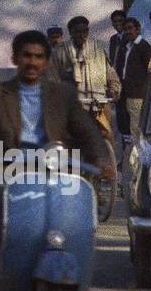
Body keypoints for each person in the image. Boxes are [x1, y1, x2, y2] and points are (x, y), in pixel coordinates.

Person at [0, 30, 110, 227]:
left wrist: (100, 158)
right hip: (10, 171)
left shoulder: (63, 95)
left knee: (80, 214)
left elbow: (87, 131)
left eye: (39, 57)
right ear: (15, 58)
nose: (32, 62)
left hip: (57, 170)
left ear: (47, 62)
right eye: (27, 56)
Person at [48, 16, 121, 179]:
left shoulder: (97, 48)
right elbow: (52, 77)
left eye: (84, 31)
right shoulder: (60, 51)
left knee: (106, 136)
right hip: (72, 105)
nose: (82, 35)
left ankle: (105, 176)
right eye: (77, 32)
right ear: (71, 33)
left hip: (98, 103)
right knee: (68, 141)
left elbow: (110, 73)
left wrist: (114, 88)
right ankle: (69, 177)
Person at [114, 17, 151, 141]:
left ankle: (137, 156)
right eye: (125, 29)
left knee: (136, 127)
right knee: (129, 126)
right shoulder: (127, 46)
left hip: (138, 93)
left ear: (137, 29)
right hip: (127, 92)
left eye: (130, 28)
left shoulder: (143, 46)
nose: (128, 32)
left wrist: (144, 89)